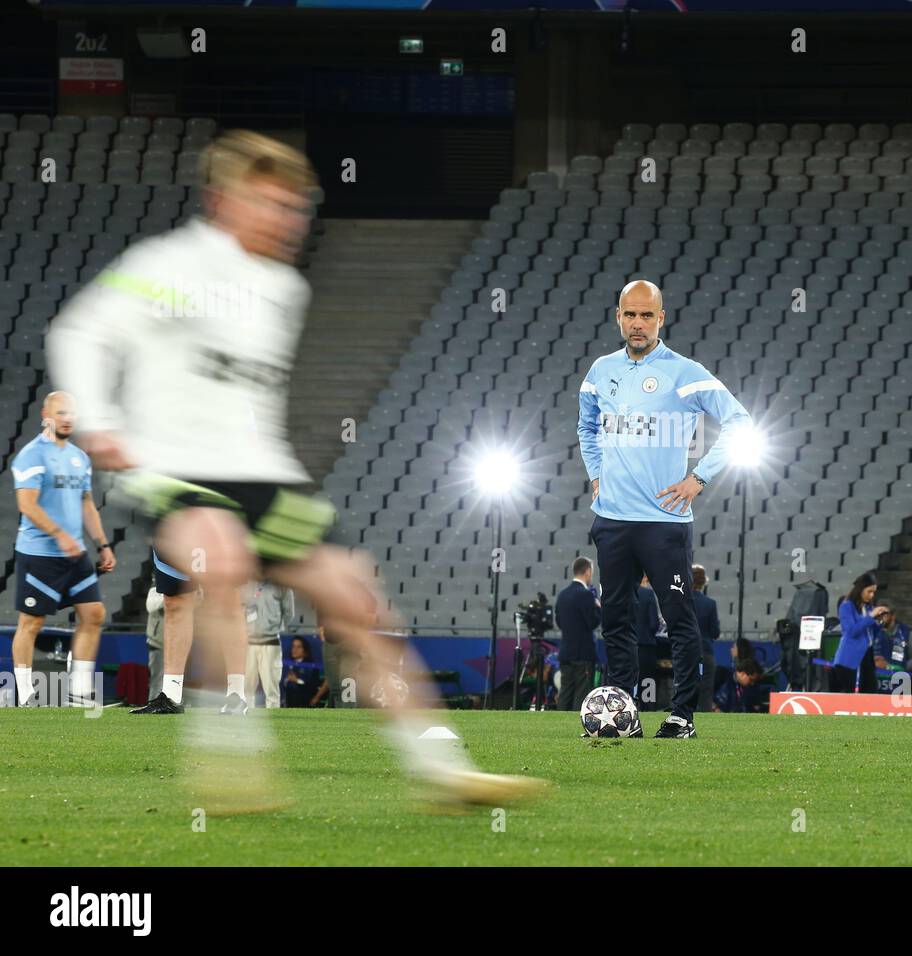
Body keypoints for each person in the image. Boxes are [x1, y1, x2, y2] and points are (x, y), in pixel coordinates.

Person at [46, 130, 546, 810]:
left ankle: (442, 767)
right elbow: (78, 331)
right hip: (170, 464)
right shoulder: (167, 263)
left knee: (354, 599)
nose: (287, 221)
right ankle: (227, 760)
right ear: (224, 201)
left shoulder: (283, 288)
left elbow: (252, 402)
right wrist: (101, 421)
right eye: (270, 204)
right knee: (218, 558)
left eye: (295, 207)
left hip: (257, 470)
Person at [577, 278, 753, 739]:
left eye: (647, 315)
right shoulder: (599, 371)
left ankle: (682, 716)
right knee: (615, 619)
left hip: (664, 521)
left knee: (678, 619)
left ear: (662, 318)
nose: (637, 324)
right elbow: (587, 426)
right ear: (618, 317)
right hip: (613, 519)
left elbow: (739, 421)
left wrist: (699, 478)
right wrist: (596, 475)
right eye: (630, 315)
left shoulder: (685, 372)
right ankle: (622, 714)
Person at [9, 391, 115, 707]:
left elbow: (86, 504)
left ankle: (79, 693)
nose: (67, 418)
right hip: (39, 554)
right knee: (31, 623)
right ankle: (26, 695)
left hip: (75, 554)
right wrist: (58, 534)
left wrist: (103, 544)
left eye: (72, 413)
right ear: (46, 414)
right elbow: (26, 504)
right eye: (61, 412)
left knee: (93, 614)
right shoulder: (31, 455)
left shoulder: (79, 457)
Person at [131, 549, 199, 713]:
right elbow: (151, 605)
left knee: (227, 596)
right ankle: (170, 696)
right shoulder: (153, 590)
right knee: (173, 602)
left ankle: (237, 694)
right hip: (158, 642)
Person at [555, 557, 601, 711]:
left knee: (565, 693)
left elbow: (559, 622)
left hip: (566, 651)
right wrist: (598, 608)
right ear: (588, 572)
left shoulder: (562, 595)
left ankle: (558, 728)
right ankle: (575, 730)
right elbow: (593, 623)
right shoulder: (586, 595)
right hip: (583, 654)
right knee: (581, 695)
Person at [830, 572, 887, 692]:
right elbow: (851, 631)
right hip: (850, 657)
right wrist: (871, 616)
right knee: (850, 694)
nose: (872, 595)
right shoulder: (846, 606)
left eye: (874, 592)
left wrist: (880, 622)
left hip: (867, 655)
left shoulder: (868, 608)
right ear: (860, 589)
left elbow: (871, 635)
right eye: (869, 591)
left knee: (871, 692)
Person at [242, 579, 294, 708]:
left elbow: (289, 614)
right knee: (246, 688)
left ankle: (273, 718)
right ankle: (246, 717)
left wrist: (274, 627)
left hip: (271, 642)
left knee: (271, 688)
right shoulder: (246, 586)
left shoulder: (282, 586)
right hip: (248, 643)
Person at [865, 603, 912, 693]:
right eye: (878, 614)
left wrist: (893, 667)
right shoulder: (869, 631)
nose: (880, 618)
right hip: (876, 680)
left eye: (884, 615)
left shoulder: (905, 632)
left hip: (899, 680)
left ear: (893, 616)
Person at [691, 563, 720, 711]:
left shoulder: (683, 602)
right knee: (706, 688)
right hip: (706, 650)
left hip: (686, 650)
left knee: (685, 685)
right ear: (703, 582)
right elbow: (715, 632)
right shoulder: (710, 603)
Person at [634, 574, 665, 712]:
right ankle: (649, 711)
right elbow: (654, 624)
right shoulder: (648, 594)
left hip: (628, 646)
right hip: (646, 647)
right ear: (645, 578)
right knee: (648, 683)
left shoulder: (625, 591)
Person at [282, 635, 327, 709]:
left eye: (299, 647)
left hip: (304, 703)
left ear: (305, 650)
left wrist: (297, 680)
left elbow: (313, 687)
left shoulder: (312, 667)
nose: (295, 649)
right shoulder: (286, 666)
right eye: (293, 646)